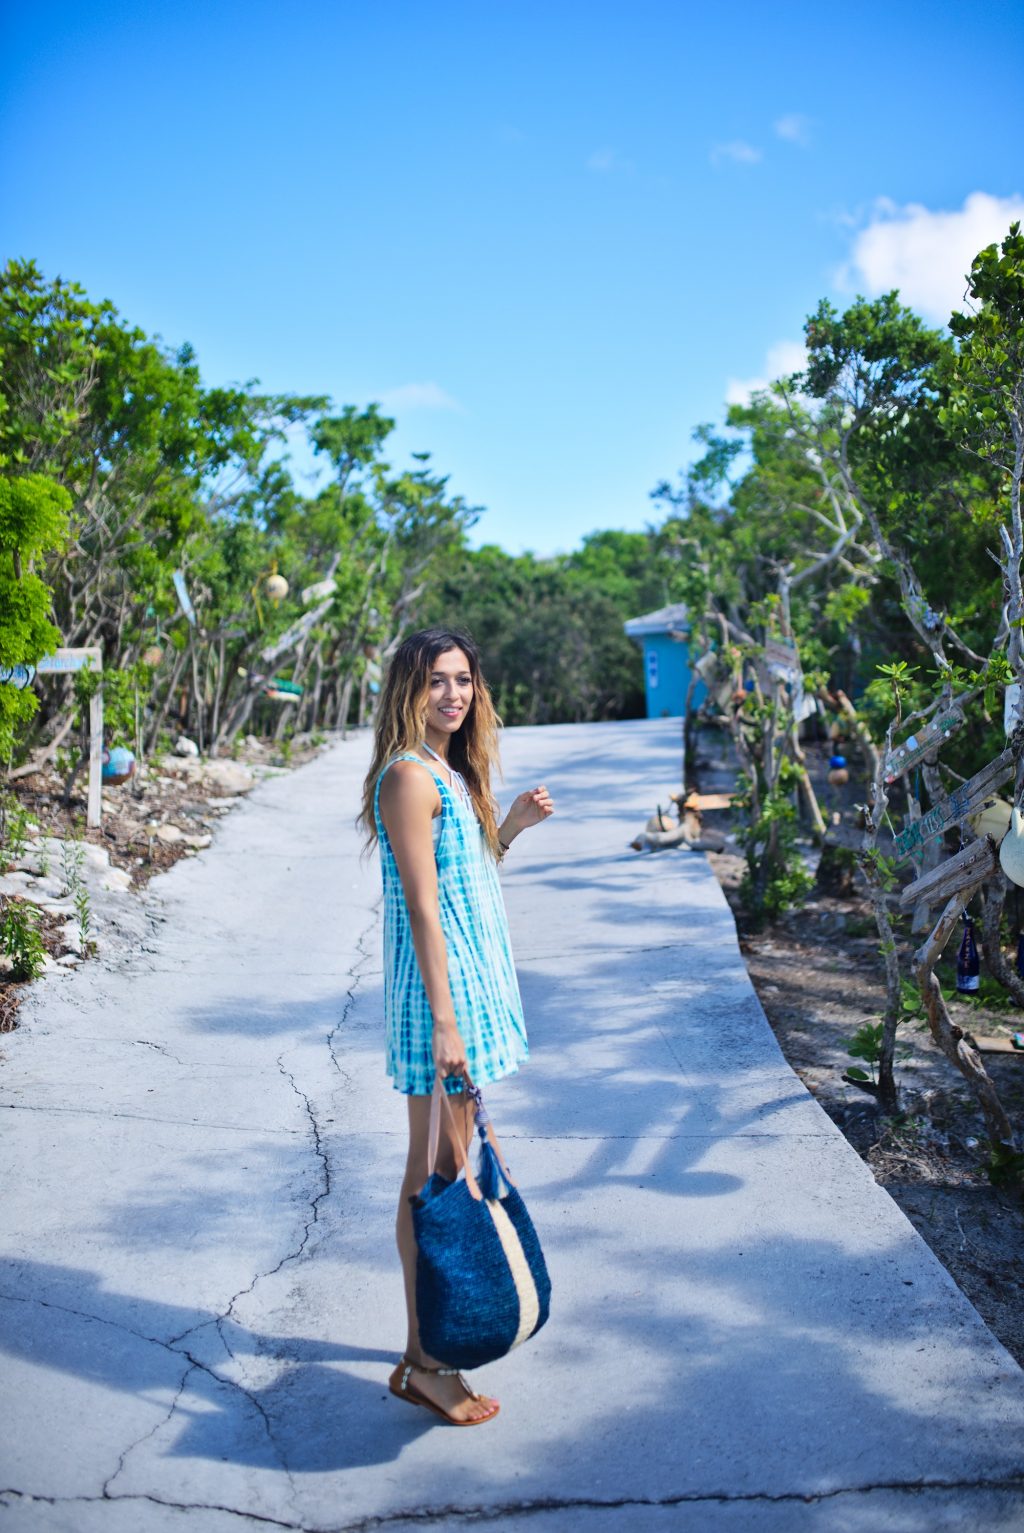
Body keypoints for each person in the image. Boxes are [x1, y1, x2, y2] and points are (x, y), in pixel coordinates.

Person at [359, 626, 553, 1426]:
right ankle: (427, 1360)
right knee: (438, 1180)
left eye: (464, 679)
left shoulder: (445, 768)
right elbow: (421, 906)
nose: (454, 694)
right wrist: (446, 1022)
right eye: (438, 680)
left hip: (466, 991)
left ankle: (422, 1351)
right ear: (410, 688)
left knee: (435, 1175)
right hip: (445, 1001)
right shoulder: (408, 776)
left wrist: (505, 828)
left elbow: (466, 880)